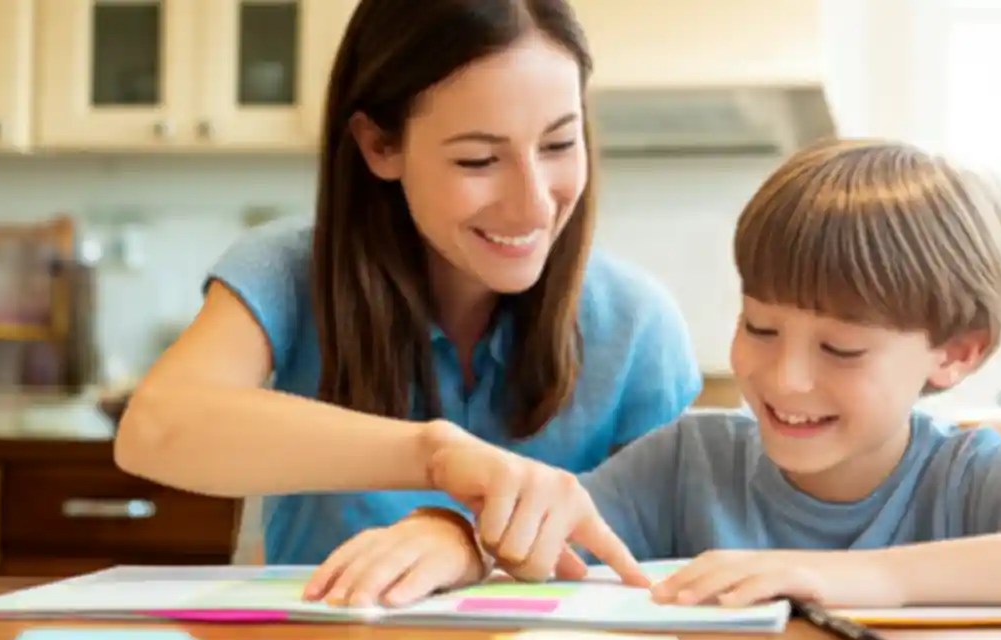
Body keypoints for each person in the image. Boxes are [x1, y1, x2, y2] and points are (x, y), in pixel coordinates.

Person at [311, 138, 1001, 610]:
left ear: (956, 353)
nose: (784, 379)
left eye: (841, 350)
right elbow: (541, 535)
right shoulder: (689, 462)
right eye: (760, 327)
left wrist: (869, 579)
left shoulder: (975, 478)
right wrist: (454, 539)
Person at [113, 0, 702, 594]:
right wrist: (433, 453)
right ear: (380, 146)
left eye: (558, 145)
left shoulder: (638, 326)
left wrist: (468, 543)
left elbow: (655, 567)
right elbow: (157, 427)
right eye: (478, 159)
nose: (534, 204)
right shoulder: (289, 273)